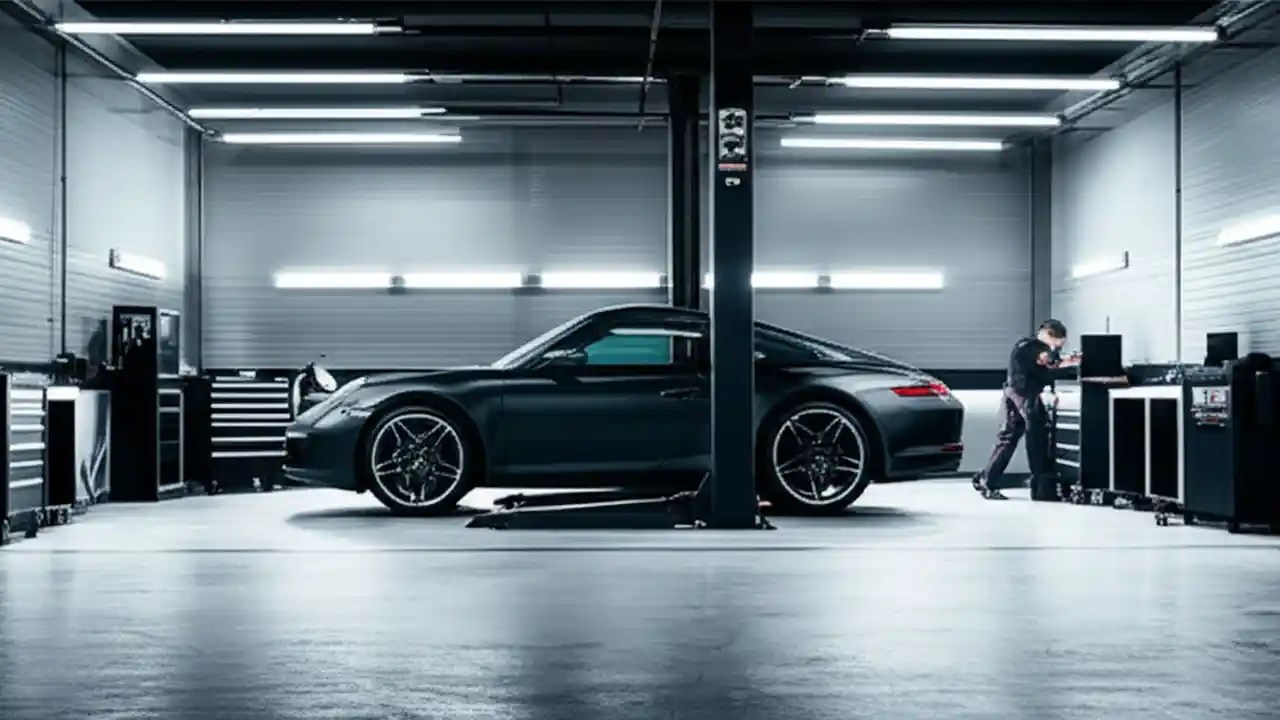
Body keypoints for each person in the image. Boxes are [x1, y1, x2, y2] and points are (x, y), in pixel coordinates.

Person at [973, 319, 1080, 500]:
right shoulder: (1037, 347)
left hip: (1012, 391)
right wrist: (1069, 364)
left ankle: (986, 479)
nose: (1057, 347)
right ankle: (1040, 483)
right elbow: (1047, 363)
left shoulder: (1023, 346)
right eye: (1057, 342)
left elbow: (1046, 364)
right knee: (1036, 435)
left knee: (1008, 438)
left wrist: (1065, 362)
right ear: (1049, 335)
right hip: (1025, 394)